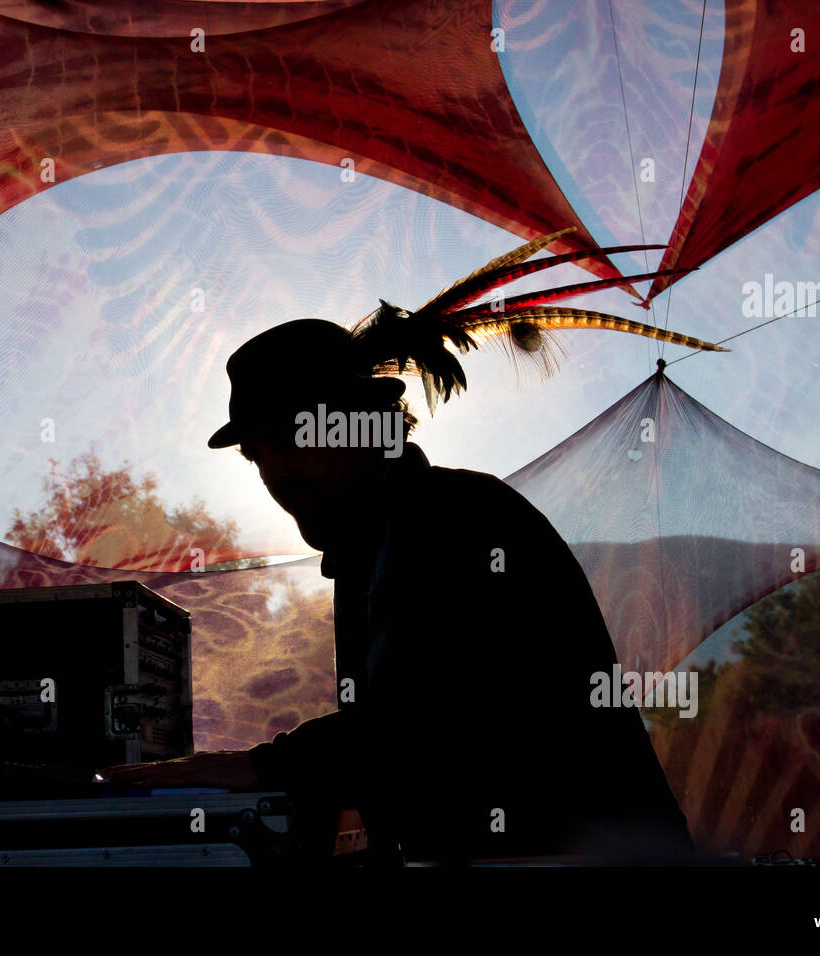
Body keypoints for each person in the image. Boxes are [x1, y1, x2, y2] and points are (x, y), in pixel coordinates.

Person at [101, 318, 695, 865]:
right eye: (257, 455)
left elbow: (434, 728)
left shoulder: (459, 519)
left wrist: (257, 767)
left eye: (291, 437)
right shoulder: (371, 549)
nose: (274, 473)